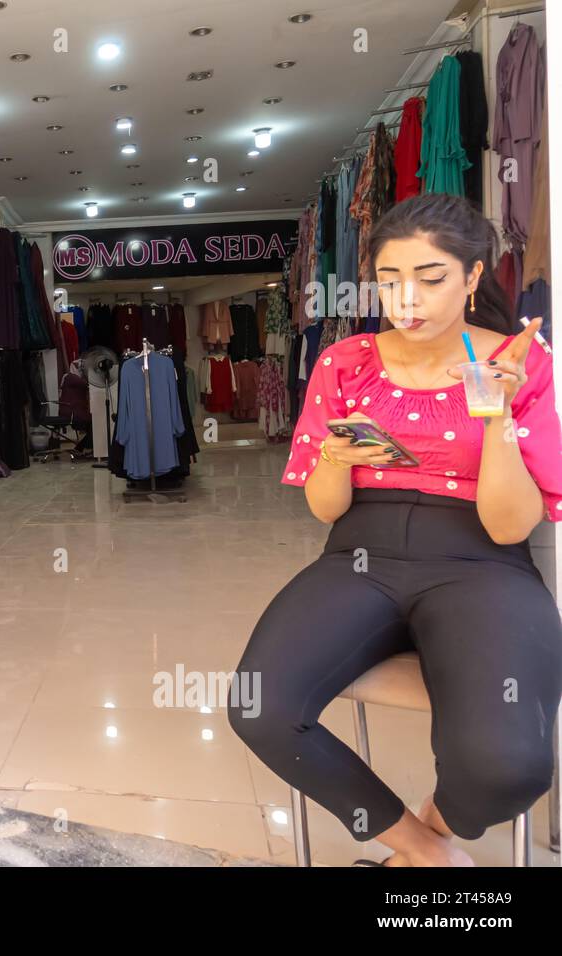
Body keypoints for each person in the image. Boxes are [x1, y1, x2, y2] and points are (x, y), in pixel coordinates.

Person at [229, 193, 562, 866]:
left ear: (472, 278)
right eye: (388, 280)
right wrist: (333, 457)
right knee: (258, 705)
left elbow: (507, 525)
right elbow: (325, 508)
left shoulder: (525, 365)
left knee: (511, 766)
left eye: (430, 279)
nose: (405, 300)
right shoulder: (346, 362)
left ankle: (437, 824)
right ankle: (418, 850)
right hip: (358, 553)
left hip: (483, 561)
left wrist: (495, 414)